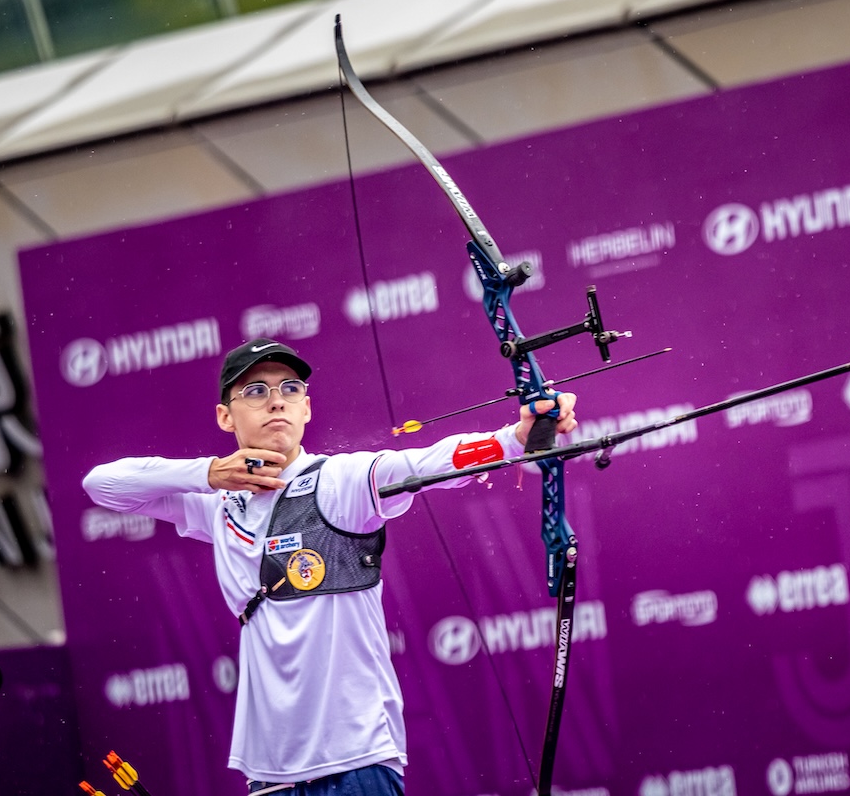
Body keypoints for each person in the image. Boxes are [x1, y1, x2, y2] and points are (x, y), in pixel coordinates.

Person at [82, 338, 577, 795]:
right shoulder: (216, 505)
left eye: (289, 389)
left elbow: (427, 464)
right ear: (225, 417)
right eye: (255, 391)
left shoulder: (340, 480)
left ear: (306, 408)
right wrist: (209, 473)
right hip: (270, 770)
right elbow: (101, 484)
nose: (276, 400)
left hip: (356, 760)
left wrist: (516, 437)